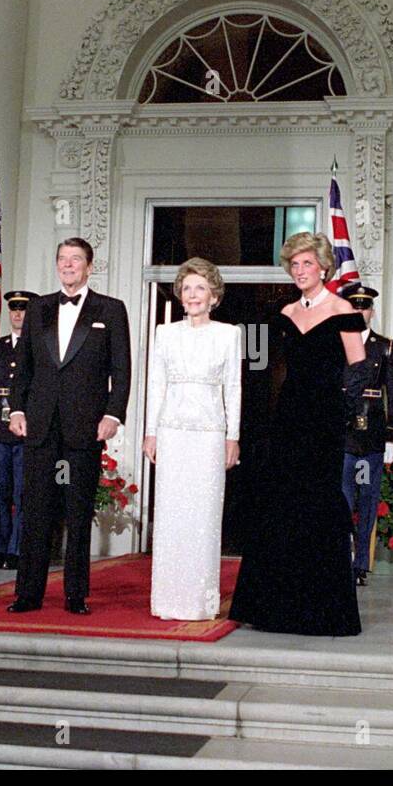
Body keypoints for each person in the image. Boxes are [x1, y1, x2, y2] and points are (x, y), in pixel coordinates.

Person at [228, 233, 367, 636]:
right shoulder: (285, 311)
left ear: (324, 267)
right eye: (294, 265)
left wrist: (342, 409)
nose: (301, 271)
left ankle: (321, 610)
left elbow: (358, 368)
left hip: (324, 419)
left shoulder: (343, 309)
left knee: (319, 503)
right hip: (287, 415)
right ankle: (275, 607)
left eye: (307, 264)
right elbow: (272, 367)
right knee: (280, 502)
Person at [6, 237, 131, 616]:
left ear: (89, 267)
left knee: (78, 512)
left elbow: (121, 371)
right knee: (35, 511)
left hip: (85, 427)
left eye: (76, 259)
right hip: (40, 426)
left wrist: (113, 415)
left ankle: (76, 594)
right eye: (62, 259)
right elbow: (22, 368)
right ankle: (28, 593)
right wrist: (15, 410)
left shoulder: (109, 309)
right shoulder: (39, 307)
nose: (68, 265)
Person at [143, 258, 241, 621]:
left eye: (200, 288)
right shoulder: (165, 333)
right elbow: (157, 384)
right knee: (170, 516)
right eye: (187, 288)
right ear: (180, 296)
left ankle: (200, 601)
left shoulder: (229, 334)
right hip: (172, 432)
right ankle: (167, 600)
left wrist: (233, 436)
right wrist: (151, 432)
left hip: (209, 435)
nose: (193, 294)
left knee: (203, 517)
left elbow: (233, 387)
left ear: (213, 295)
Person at [339, 283, 393, 587]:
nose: (360, 311)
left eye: (365, 307)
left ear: (371, 312)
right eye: (355, 306)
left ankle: (361, 562)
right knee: (343, 500)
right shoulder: (337, 343)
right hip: (346, 434)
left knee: (367, 500)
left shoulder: (385, 347)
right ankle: (342, 559)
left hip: (372, 436)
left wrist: (390, 437)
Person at [0, 290, 36, 570]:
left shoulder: (36, 345)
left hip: (26, 421)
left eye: (23, 310)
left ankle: (17, 549)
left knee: (22, 491)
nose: (17, 315)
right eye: (14, 309)